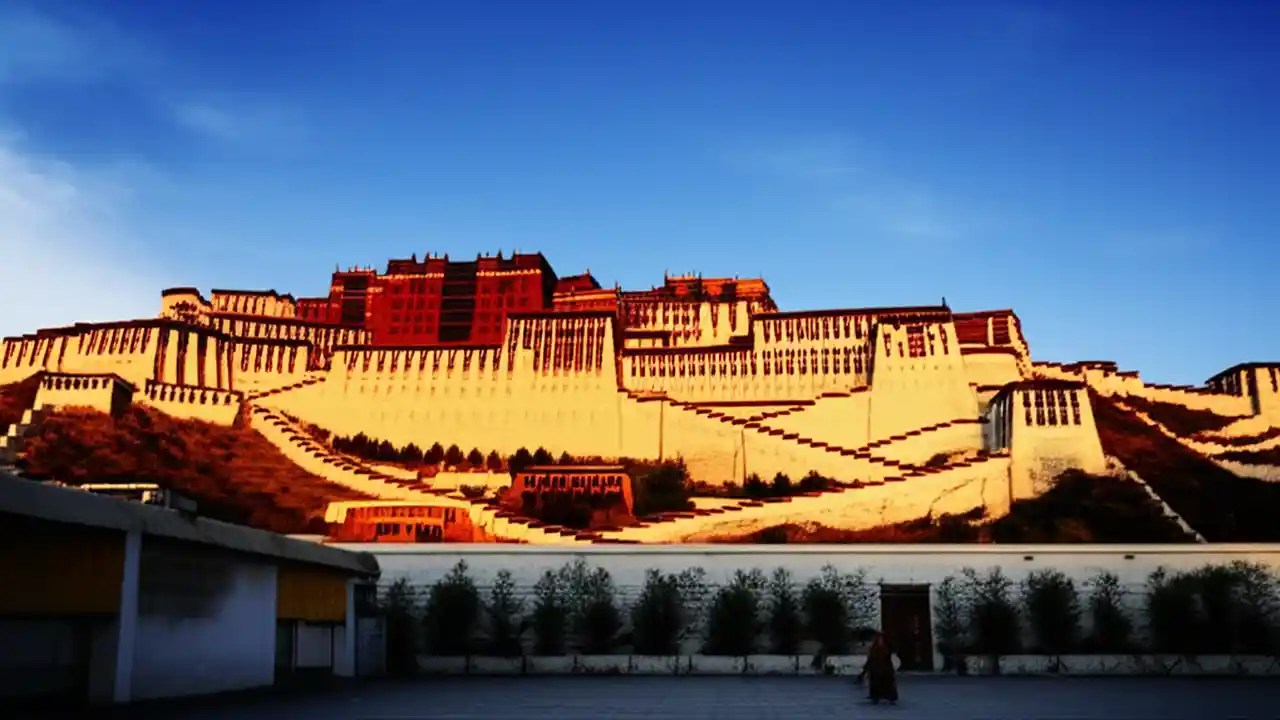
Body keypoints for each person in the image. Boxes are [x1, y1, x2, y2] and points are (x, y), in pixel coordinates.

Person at [856, 632, 898, 704]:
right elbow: (870, 659)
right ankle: (876, 697)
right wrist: (864, 670)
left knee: (886, 684)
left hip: (884, 670)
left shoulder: (886, 648)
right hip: (876, 670)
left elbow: (888, 656)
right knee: (876, 684)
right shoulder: (874, 648)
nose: (880, 640)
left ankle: (888, 697)